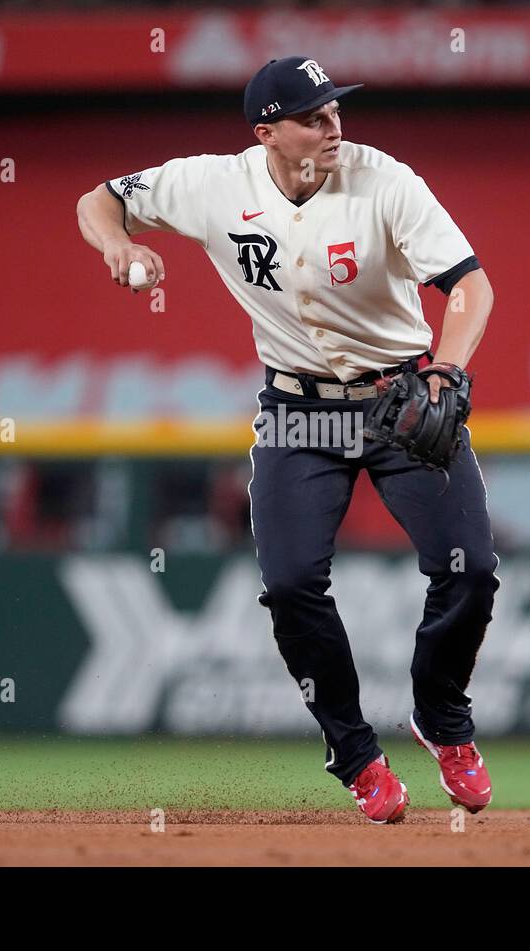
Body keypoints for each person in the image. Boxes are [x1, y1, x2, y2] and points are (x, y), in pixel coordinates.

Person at [76, 56, 499, 824]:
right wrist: (120, 247)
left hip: (399, 397)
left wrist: (447, 369)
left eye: (335, 109)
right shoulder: (212, 186)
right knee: (293, 584)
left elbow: (470, 285)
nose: (333, 125)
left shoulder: (385, 182)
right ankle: (355, 751)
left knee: (469, 571)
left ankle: (442, 722)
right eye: (313, 116)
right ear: (267, 133)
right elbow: (99, 199)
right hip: (298, 412)